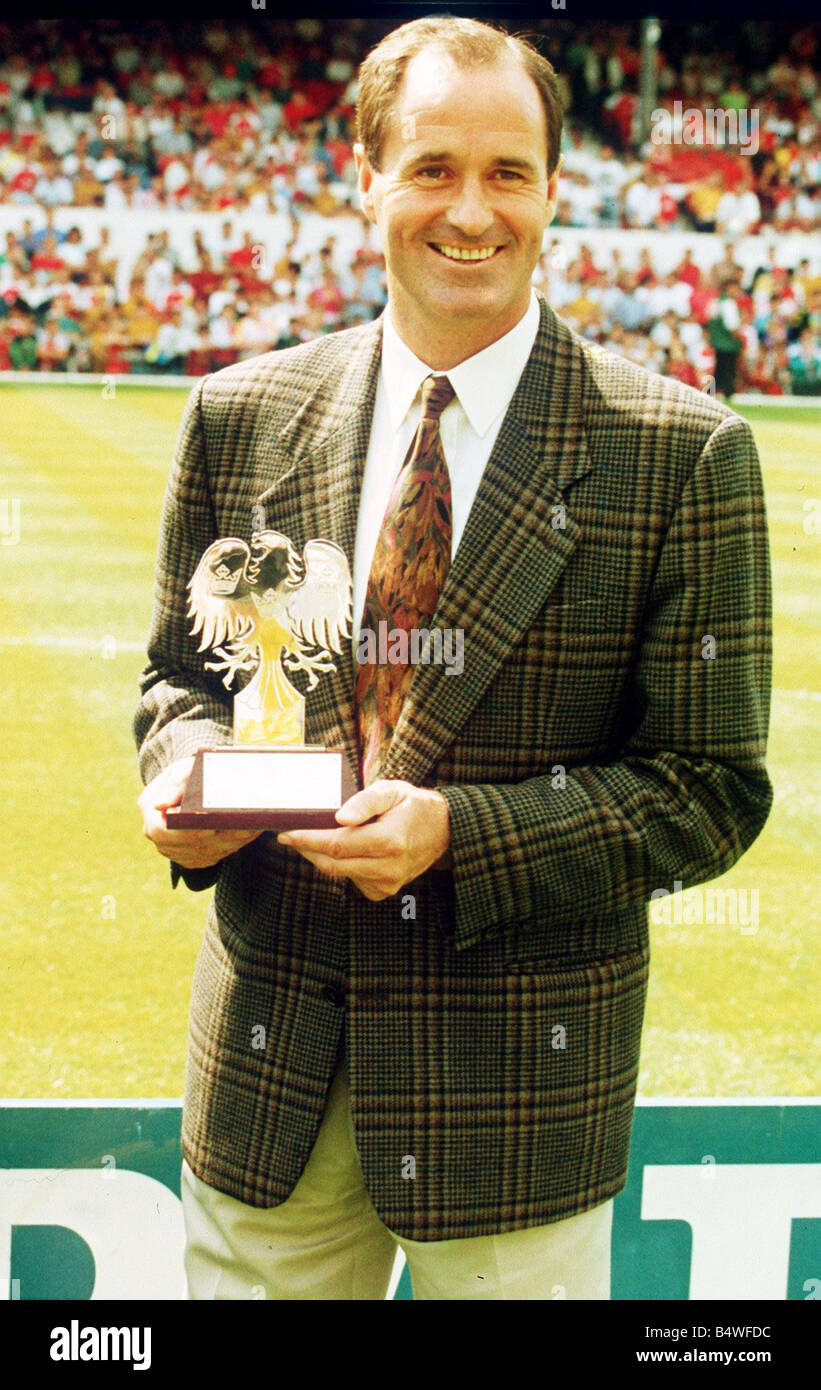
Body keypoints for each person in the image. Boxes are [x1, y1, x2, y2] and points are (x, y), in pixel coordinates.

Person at [135, 16, 773, 1301]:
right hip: (272, 1072)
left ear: (552, 189)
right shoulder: (239, 414)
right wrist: (191, 781)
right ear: (363, 176)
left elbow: (709, 787)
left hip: (518, 1101)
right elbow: (179, 684)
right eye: (430, 167)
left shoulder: (680, 453)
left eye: (505, 173)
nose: (468, 211)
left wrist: (458, 837)